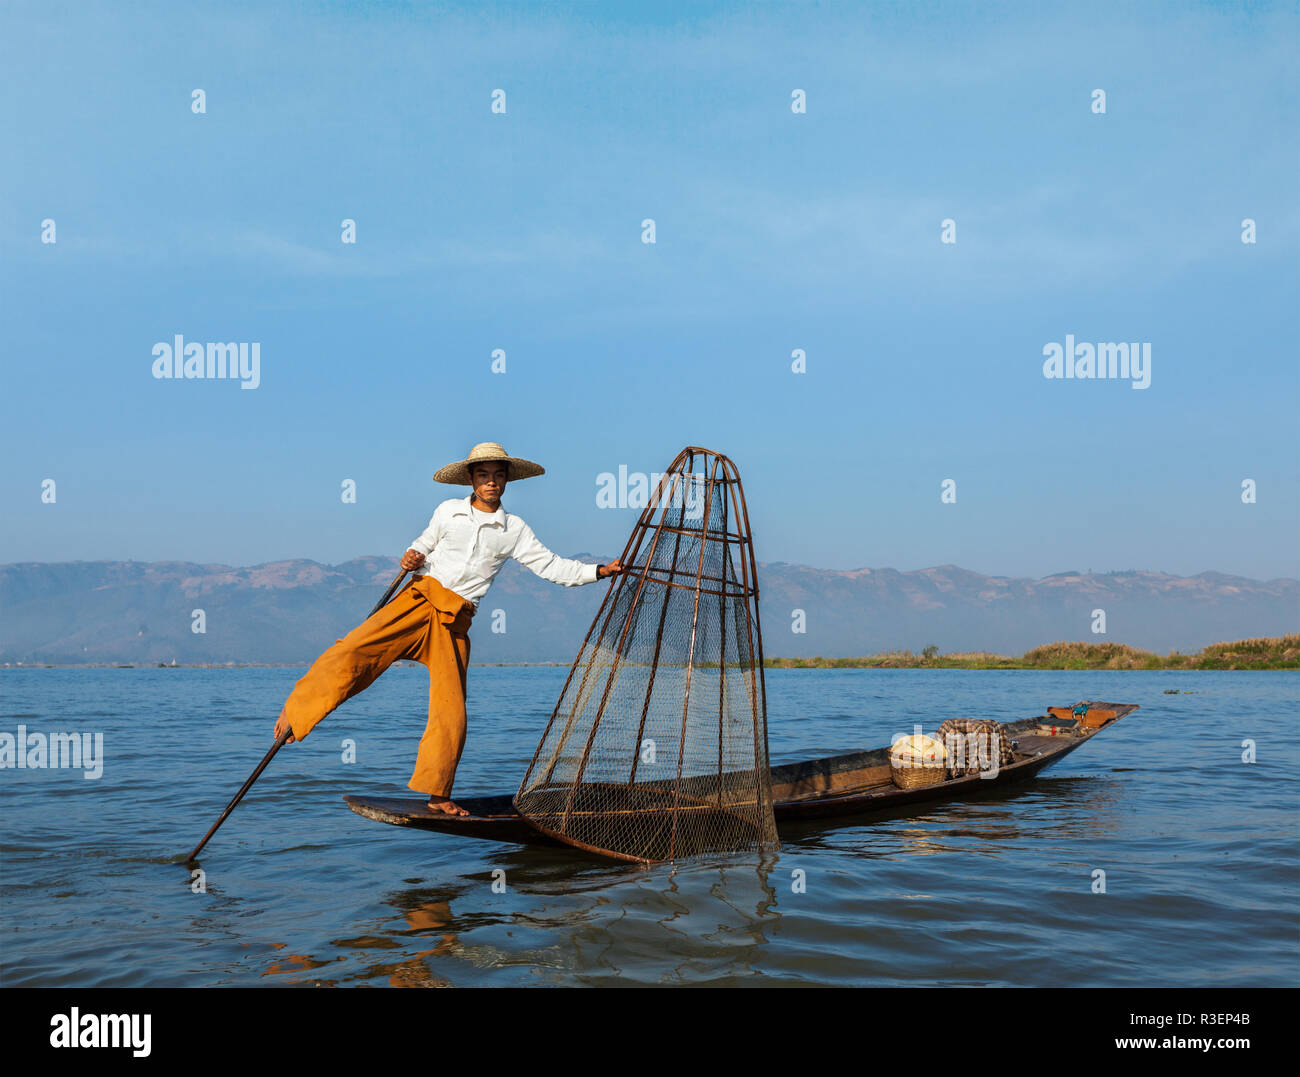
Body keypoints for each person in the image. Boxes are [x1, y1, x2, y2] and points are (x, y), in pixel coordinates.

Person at [272, 442, 624, 815]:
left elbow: (553, 567)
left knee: (451, 709)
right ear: (471, 480)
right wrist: (411, 556)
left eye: (498, 476)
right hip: (418, 601)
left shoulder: (514, 529)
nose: (491, 483)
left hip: (455, 620)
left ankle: (438, 795)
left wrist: (600, 571)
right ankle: (297, 713)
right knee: (352, 650)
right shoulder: (448, 511)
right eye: (484, 475)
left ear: (506, 482)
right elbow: (421, 547)